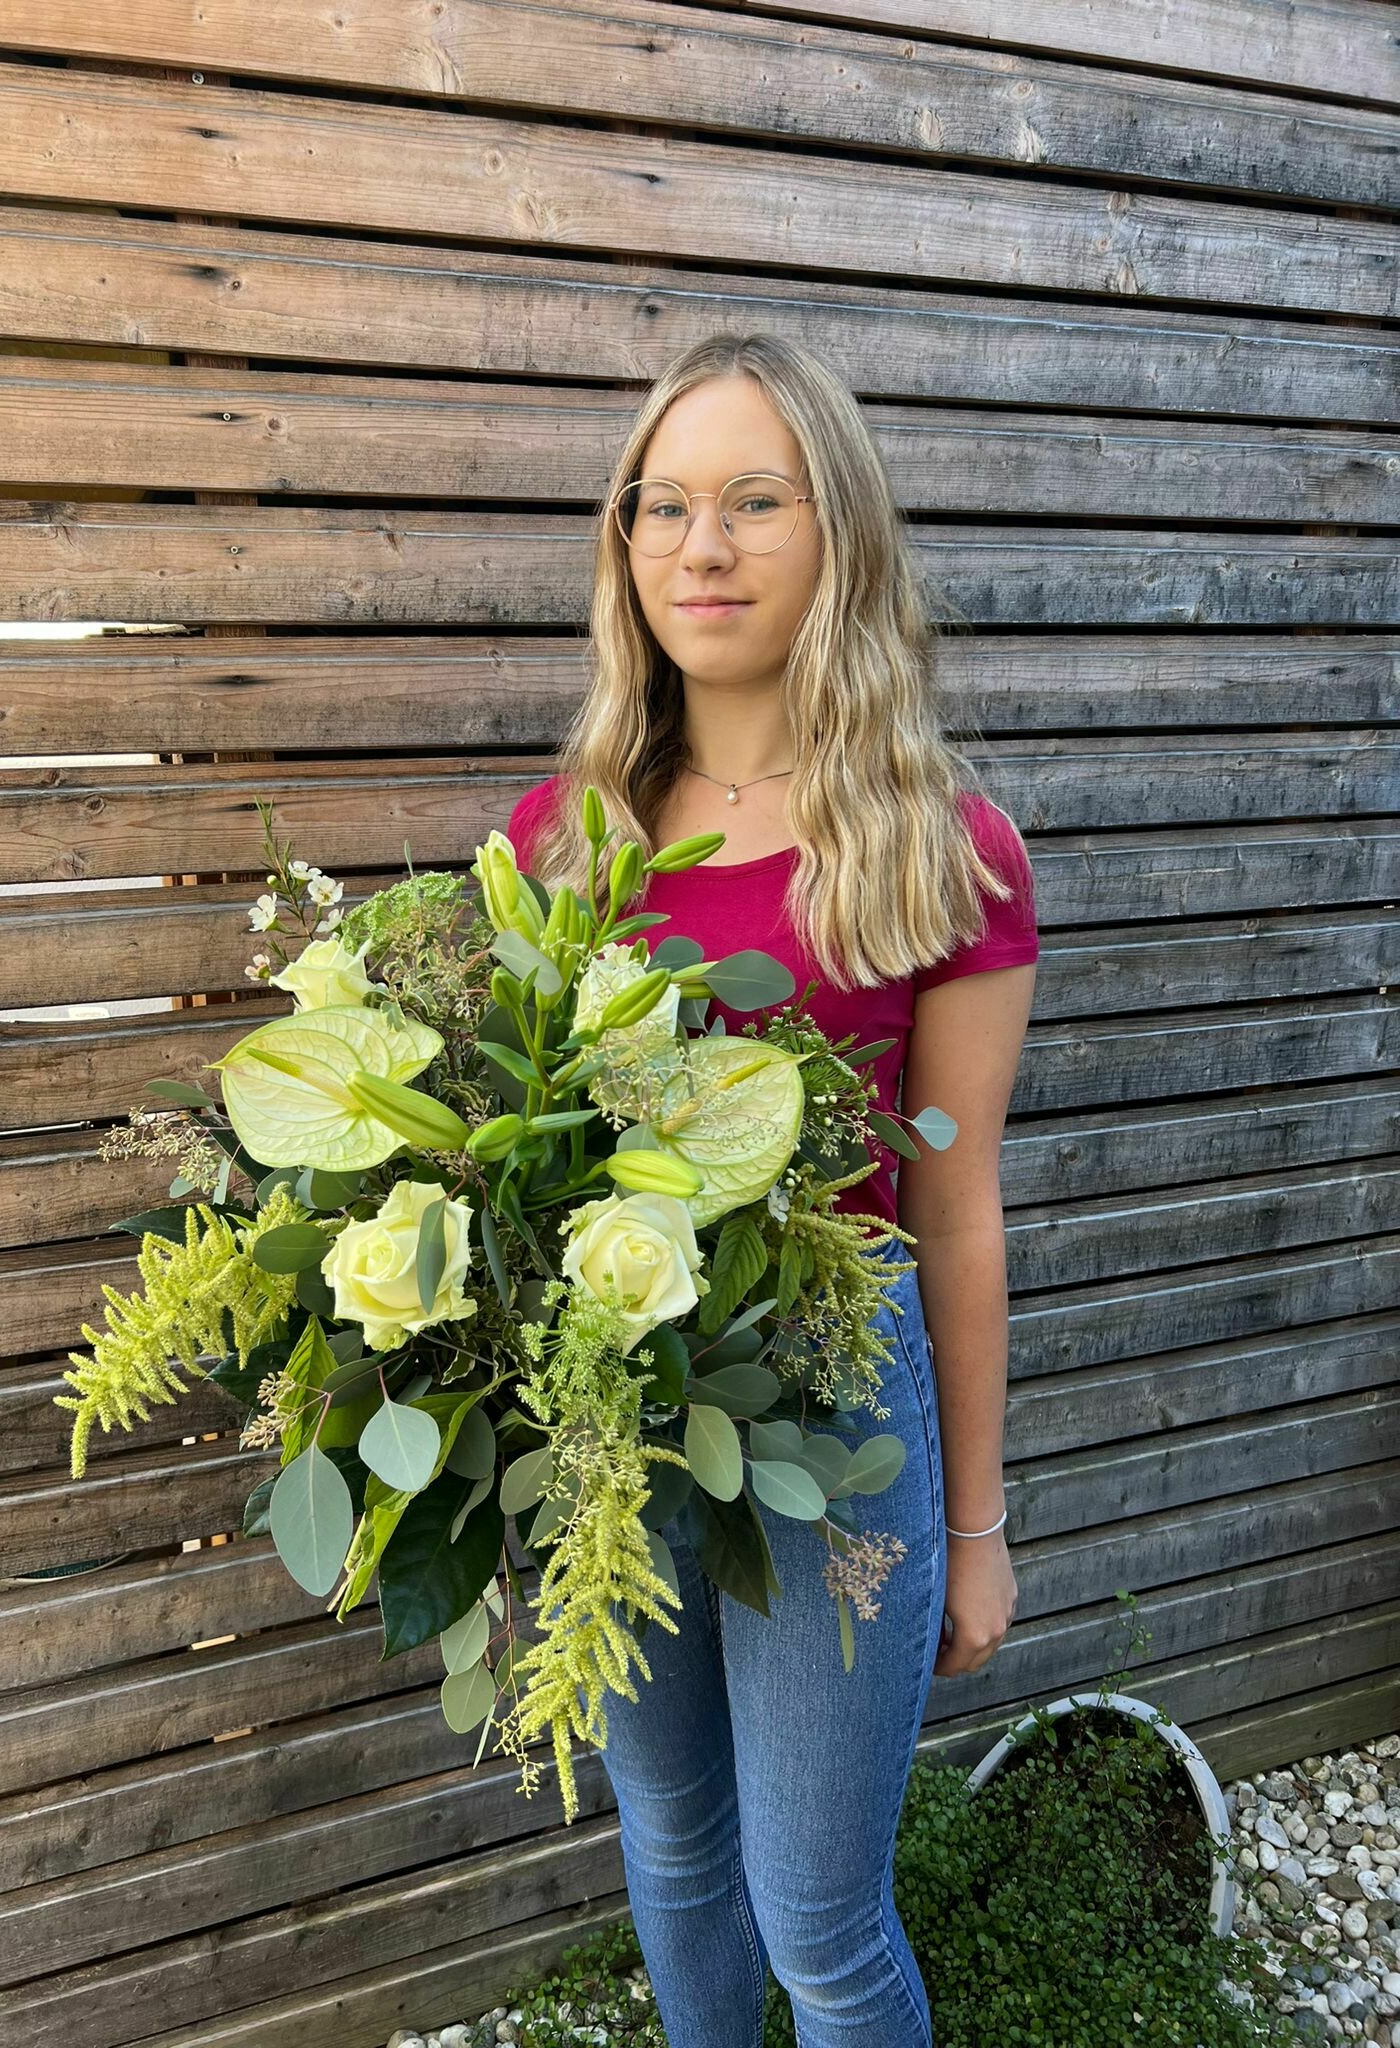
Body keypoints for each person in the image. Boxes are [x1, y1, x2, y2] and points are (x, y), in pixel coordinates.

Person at [503, 332, 1039, 2048]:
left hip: (838, 1409)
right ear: (623, 543)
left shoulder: (936, 846)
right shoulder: (563, 838)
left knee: (818, 1910)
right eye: (664, 507)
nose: (701, 548)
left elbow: (953, 1204)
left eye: (753, 501)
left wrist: (977, 1526)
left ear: (840, 533)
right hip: (619, 1407)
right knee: (670, 1835)